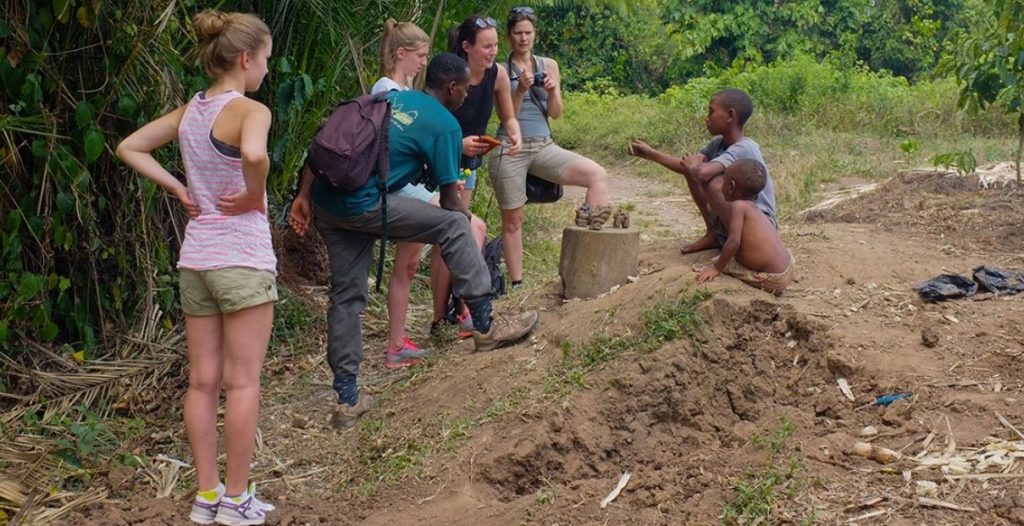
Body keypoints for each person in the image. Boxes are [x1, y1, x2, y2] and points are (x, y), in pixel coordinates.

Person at [288, 53, 539, 431]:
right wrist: (468, 224)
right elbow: (452, 204)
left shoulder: (388, 98)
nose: (468, 96)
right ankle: (486, 325)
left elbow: (320, 145)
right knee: (455, 226)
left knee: (345, 297)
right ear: (452, 87)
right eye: (466, 89)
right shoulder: (444, 124)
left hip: (329, 205)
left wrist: (304, 195)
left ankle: (346, 399)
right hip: (366, 205)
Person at [116, 9, 276, 525]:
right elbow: (254, 155)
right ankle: (236, 499)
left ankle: (206, 497)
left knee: (203, 381)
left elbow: (130, 146)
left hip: (197, 261)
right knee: (243, 381)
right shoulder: (251, 111)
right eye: (267, 61)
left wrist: (180, 188)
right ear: (247, 59)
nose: (267, 72)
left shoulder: (191, 111)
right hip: (243, 260)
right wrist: (255, 193)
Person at [370, 20, 487, 367]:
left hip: (410, 185)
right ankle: (470, 314)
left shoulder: (405, 92)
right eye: (420, 55)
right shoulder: (388, 91)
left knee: (406, 266)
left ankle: (398, 343)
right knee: (472, 228)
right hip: (399, 188)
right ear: (401, 54)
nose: (424, 62)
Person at [489, 6, 611, 289]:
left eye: (528, 33)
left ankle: (587, 254)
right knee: (513, 219)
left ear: (535, 34)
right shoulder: (501, 70)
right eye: (518, 33)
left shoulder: (549, 64)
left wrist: (553, 90)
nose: (523, 38)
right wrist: (519, 90)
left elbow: (556, 113)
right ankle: (517, 282)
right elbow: (506, 118)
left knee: (596, 175)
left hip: (543, 144)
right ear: (509, 36)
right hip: (511, 145)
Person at [630, 88, 777, 255]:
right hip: (738, 218)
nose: (707, 118)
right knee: (695, 172)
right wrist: (652, 154)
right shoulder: (717, 144)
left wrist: (695, 168)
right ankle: (715, 233)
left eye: (711, 112)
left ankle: (737, 243)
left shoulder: (745, 147)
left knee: (711, 181)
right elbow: (689, 168)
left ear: (730, 116)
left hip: (762, 226)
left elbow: (701, 173)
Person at [693, 159, 795, 294]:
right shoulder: (753, 207)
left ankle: (717, 269)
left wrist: (716, 269)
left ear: (731, 186)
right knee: (725, 259)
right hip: (789, 267)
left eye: (723, 181)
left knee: (722, 264)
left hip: (773, 280)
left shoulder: (738, 206)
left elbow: (733, 242)